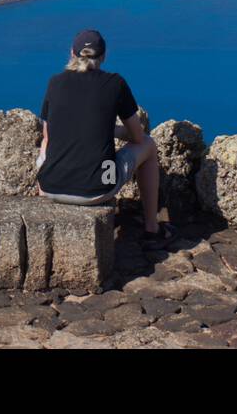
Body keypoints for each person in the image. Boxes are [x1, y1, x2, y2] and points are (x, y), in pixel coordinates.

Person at [36, 29, 177, 250]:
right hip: (99, 187)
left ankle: (43, 212)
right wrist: (115, 131)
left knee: (46, 146)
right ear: (103, 56)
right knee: (149, 145)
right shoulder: (114, 83)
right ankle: (153, 229)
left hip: (49, 187)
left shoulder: (55, 82)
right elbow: (138, 137)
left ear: (72, 53)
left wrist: (100, 128)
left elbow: (48, 137)